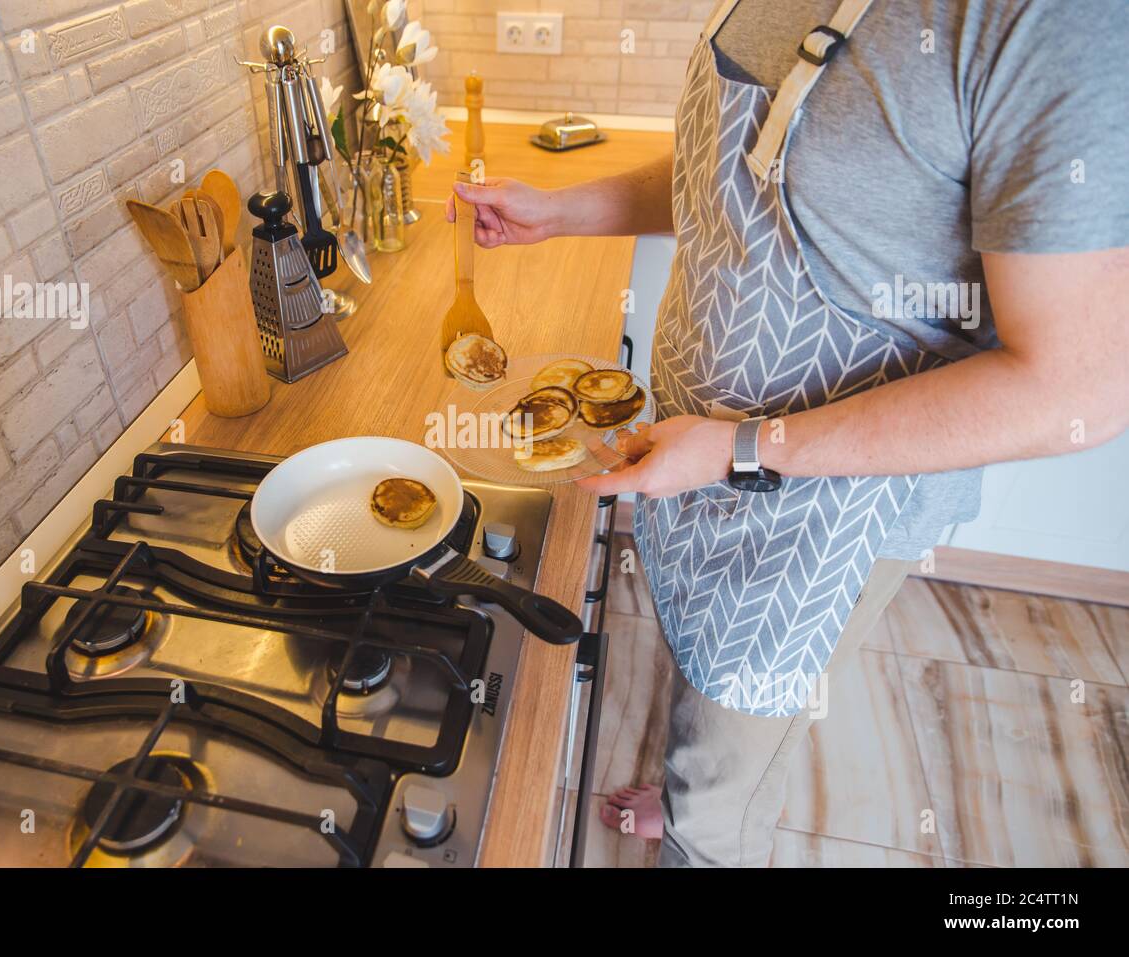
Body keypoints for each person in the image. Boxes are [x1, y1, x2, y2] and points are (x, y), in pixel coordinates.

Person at [446, 0, 1129, 867]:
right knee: (705, 684)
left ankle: (706, 819)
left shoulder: (1052, 25)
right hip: (696, 453)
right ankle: (700, 777)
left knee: (724, 785)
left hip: (826, 513)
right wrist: (566, 211)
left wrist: (739, 450)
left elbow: (1074, 388)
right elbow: (738, 173)